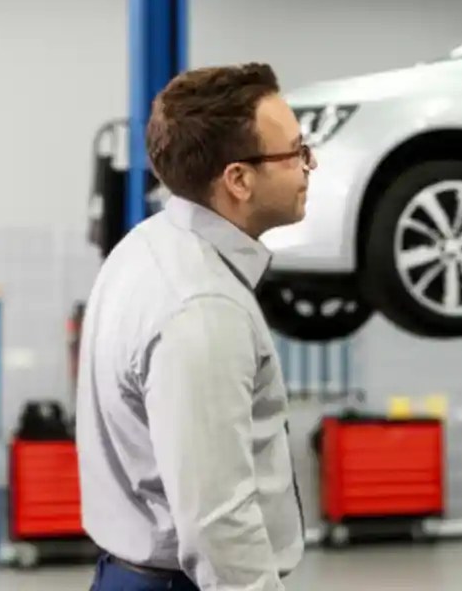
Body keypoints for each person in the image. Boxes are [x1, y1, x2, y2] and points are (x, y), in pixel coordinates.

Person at [76, 63, 312, 590]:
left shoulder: (146, 247)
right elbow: (217, 520)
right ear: (238, 180)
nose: (306, 168)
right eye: (295, 153)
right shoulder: (202, 307)